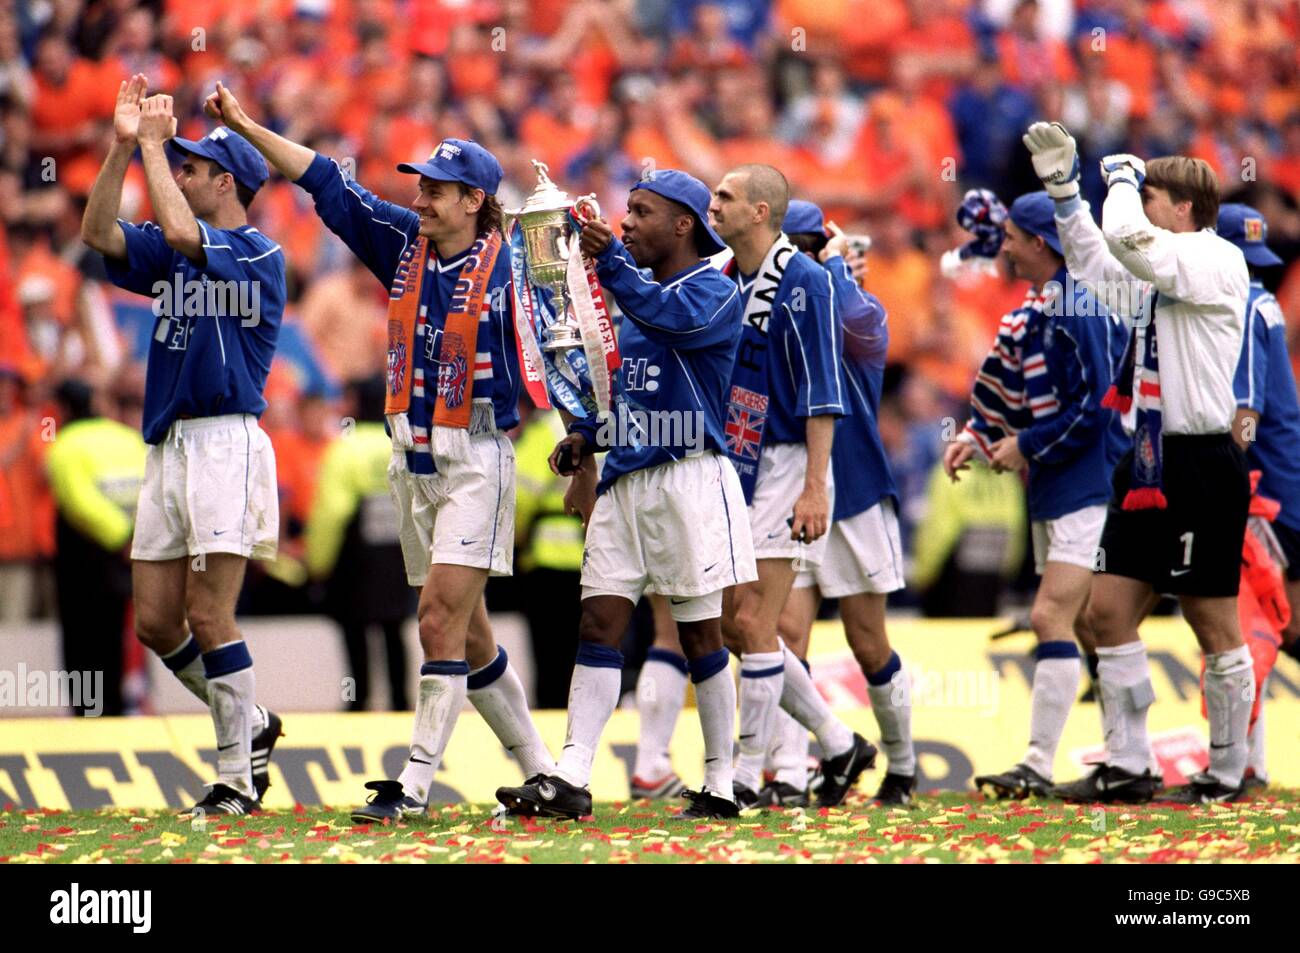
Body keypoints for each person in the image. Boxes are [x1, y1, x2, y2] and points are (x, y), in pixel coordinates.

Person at [202, 82, 555, 822]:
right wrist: (245, 123)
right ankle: (545, 772)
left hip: (480, 456)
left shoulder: (515, 270)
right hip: (411, 459)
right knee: (469, 627)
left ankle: (417, 782)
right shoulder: (401, 242)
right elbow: (326, 181)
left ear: (475, 202)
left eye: (438, 188)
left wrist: (580, 445)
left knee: (433, 620)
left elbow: (563, 355)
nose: (422, 197)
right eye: (421, 185)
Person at [495, 169, 756, 821]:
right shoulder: (636, 295)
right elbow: (621, 385)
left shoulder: (714, 292)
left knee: (700, 634)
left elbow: (667, 320)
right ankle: (572, 772)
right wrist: (586, 433)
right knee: (600, 622)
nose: (626, 222)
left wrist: (609, 260)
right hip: (626, 477)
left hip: (689, 476)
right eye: (626, 211)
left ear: (682, 225)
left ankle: (721, 778)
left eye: (640, 212)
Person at [1025, 121, 1254, 804]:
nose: (1137, 205)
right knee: (1105, 613)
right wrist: (1067, 195)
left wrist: (1121, 177)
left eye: (1150, 196)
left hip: (1203, 459)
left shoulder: (1212, 259)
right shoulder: (1161, 275)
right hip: (1148, 459)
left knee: (1211, 621)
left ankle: (1226, 768)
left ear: (1182, 209)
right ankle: (1128, 764)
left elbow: (1128, 239)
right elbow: (1098, 264)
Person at [80, 76, 287, 814]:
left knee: (209, 614)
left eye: (195, 166)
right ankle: (253, 721)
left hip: (226, 443)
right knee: (157, 622)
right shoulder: (178, 246)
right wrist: (118, 150)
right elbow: (98, 234)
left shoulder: (259, 253)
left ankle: (235, 776)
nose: (182, 172)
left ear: (226, 180)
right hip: (169, 445)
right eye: (182, 164)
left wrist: (154, 147)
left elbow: (174, 229)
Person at [940, 189, 1126, 799]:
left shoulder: (1079, 308)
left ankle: (1039, 765)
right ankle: (1131, 762)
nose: (1006, 246)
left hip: (1087, 483)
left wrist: (1026, 444)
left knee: (1053, 616)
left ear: (1041, 242)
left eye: (1016, 237)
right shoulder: (1041, 307)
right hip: (1055, 484)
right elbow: (1010, 384)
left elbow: (1099, 407)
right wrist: (979, 432)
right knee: (1096, 626)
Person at [709, 165, 876, 809]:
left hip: (783, 465)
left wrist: (814, 487)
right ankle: (838, 742)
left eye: (724, 196)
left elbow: (822, 395)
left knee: (754, 618)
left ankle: (748, 777)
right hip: (738, 466)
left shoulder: (804, 282)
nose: (713, 205)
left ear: (759, 212)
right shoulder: (728, 279)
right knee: (733, 623)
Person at [769, 200, 918, 807]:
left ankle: (903, 766)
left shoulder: (859, 304)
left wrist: (832, 267)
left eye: (805, 246)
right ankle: (788, 771)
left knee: (868, 640)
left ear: (821, 246)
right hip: (789, 491)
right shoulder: (767, 307)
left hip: (852, 495)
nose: (792, 258)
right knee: (781, 632)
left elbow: (858, 330)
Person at [304, 375, 413, 711]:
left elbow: (331, 513)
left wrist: (318, 564)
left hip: (356, 564)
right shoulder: (402, 447)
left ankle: (358, 703)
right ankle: (401, 704)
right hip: (400, 558)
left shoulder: (344, 449)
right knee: (395, 631)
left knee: (355, 633)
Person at [46, 377, 147, 717]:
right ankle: (120, 707)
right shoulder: (127, 438)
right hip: (131, 555)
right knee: (118, 634)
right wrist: (137, 536)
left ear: (63, 409)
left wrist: (119, 536)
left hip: (86, 558)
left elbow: (79, 502)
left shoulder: (64, 444)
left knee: (81, 639)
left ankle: (88, 713)